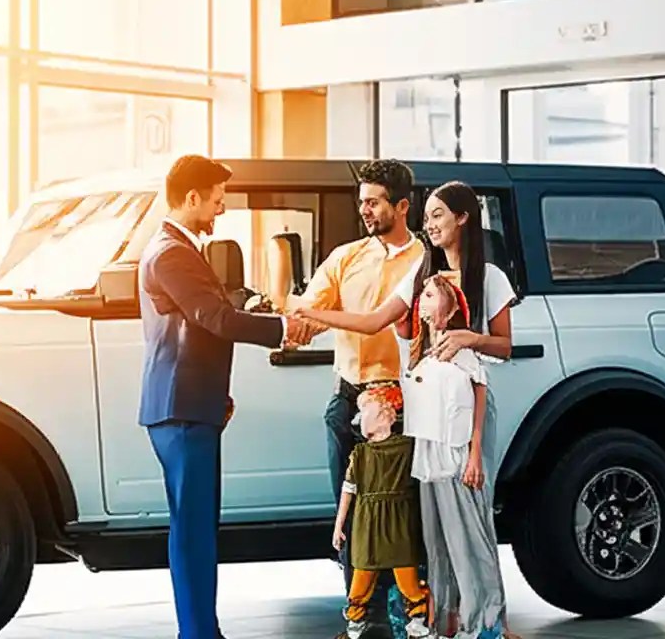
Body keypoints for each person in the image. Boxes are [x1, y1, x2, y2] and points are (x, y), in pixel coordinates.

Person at [297, 180, 523, 639]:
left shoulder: (490, 277)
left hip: (466, 413)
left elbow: (504, 346)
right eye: (427, 217)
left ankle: (488, 623)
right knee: (430, 527)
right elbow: (373, 320)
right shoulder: (421, 274)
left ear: (462, 217)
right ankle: (445, 620)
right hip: (424, 416)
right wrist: (312, 314)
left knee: (472, 521)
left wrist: (469, 338)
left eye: (438, 215)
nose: (430, 225)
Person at [138, 154, 313, 639]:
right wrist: (284, 327)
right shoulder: (172, 252)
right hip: (182, 410)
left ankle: (199, 631)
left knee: (192, 528)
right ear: (191, 198)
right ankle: (198, 634)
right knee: (194, 532)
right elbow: (215, 319)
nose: (220, 210)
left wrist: (217, 395)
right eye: (216, 201)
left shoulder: (173, 248)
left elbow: (203, 322)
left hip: (188, 406)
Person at [291, 159, 426, 623]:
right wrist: (298, 323)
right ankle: (359, 617)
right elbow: (308, 308)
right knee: (351, 517)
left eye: (374, 202)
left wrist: (312, 317)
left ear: (402, 205)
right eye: (362, 201)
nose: (364, 210)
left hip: (402, 408)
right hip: (348, 400)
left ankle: (407, 613)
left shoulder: (423, 262)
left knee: (401, 518)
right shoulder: (346, 257)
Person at [404, 273, 509, 639]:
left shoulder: (460, 351)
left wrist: (475, 453)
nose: (422, 299)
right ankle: (443, 620)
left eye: (430, 294)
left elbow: (479, 393)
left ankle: (484, 621)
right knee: (437, 545)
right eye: (422, 294)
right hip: (427, 455)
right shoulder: (421, 353)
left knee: (467, 540)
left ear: (448, 309)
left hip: (455, 452)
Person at [330, 380, 432, 639]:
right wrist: (339, 525)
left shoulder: (406, 447)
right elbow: (348, 489)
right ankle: (355, 625)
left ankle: (418, 623)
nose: (361, 418)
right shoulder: (360, 455)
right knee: (362, 577)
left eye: (367, 412)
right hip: (367, 524)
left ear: (385, 415)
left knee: (407, 576)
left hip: (398, 522)